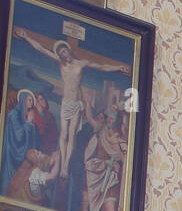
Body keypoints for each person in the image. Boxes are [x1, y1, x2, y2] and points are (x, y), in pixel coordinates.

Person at [12, 29, 130, 179]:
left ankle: (65, 166)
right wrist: (27, 37)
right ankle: (61, 164)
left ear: (69, 50)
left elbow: (101, 66)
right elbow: (41, 48)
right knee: (64, 134)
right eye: (61, 53)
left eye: (65, 51)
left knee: (72, 136)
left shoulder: (81, 63)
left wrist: (118, 67)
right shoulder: (61, 64)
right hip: (66, 103)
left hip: (76, 104)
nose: (64, 55)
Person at [0, 89, 41, 195]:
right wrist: (28, 123)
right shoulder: (14, 114)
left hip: (24, 158)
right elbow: (18, 136)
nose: (31, 103)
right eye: (29, 100)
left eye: (32, 101)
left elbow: (33, 140)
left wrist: (32, 126)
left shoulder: (26, 116)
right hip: (13, 156)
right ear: (23, 100)